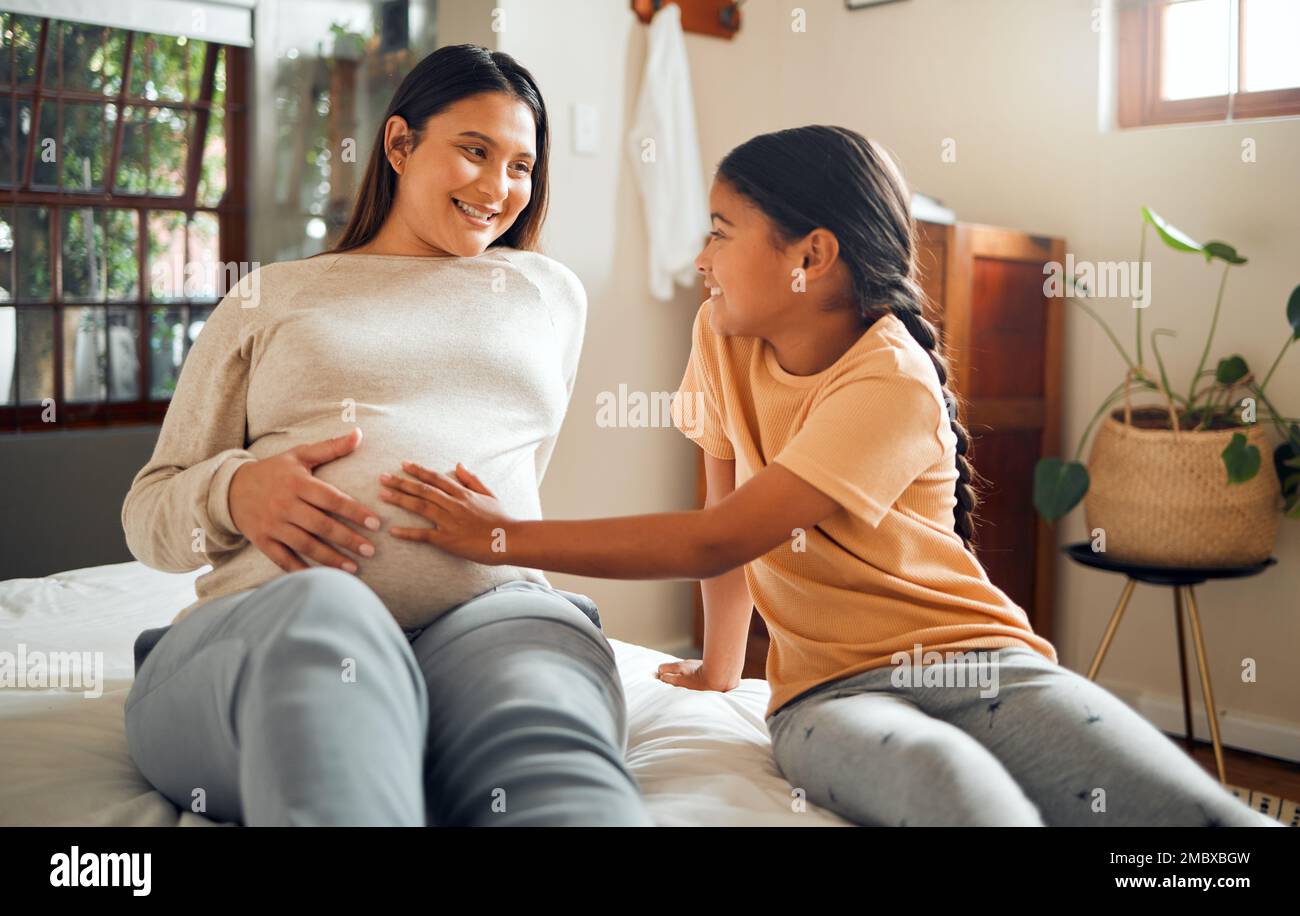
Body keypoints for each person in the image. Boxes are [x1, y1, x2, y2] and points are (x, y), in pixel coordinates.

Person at [382, 124, 1278, 828]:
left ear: (809, 257)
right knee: (957, 793)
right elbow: (721, 519)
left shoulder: (888, 376)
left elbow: (723, 534)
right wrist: (722, 668)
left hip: (984, 662)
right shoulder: (719, 338)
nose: (701, 258)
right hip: (829, 696)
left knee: (1188, 820)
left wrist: (498, 535)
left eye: (721, 232)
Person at [121, 44, 653, 827]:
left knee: (547, 725)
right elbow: (149, 516)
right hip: (286, 622)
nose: (498, 187)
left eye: (520, 166)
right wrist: (234, 491)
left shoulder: (548, 295)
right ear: (400, 144)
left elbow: (516, 465)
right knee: (331, 625)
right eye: (475, 151)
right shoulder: (273, 296)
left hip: (491, 622)